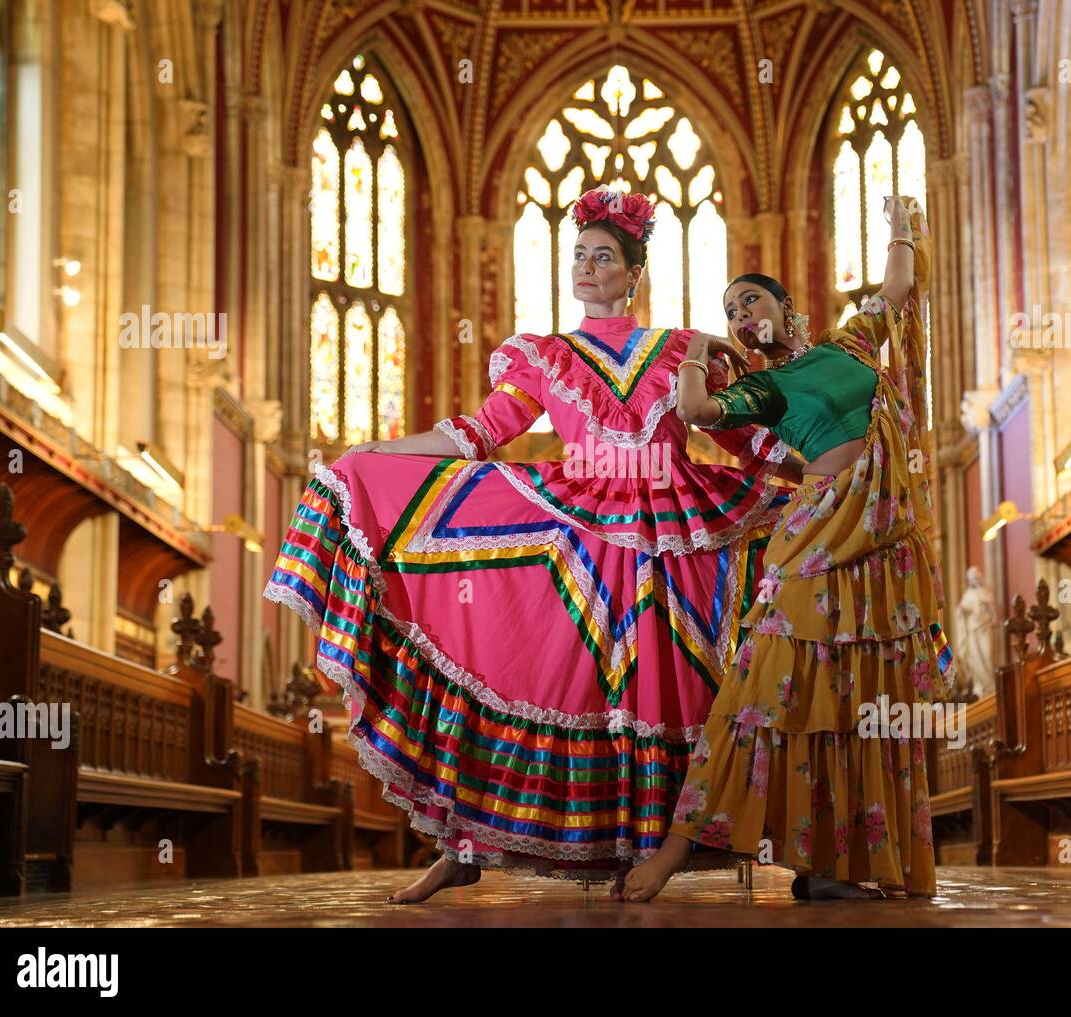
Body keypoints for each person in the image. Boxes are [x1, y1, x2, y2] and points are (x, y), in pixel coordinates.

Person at [264, 187, 800, 902]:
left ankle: (668, 842)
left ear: (633, 272)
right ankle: (465, 841)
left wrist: (828, 468)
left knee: (673, 687)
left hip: (675, 530)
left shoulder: (683, 350)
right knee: (546, 679)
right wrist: (374, 453)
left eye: (603, 257)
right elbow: (476, 436)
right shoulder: (545, 356)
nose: (586, 267)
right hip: (572, 530)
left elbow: (745, 439)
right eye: (578, 255)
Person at [623, 196, 955, 902]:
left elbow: (897, 287)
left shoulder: (848, 345)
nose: (742, 315)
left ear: (789, 308)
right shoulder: (761, 387)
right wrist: (691, 355)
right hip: (816, 542)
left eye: (751, 300)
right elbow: (696, 412)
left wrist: (899, 227)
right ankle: (673, 852)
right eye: (732, 311)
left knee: (863, 701)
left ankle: (832, 866)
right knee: (761, 688)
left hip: (881, 553)